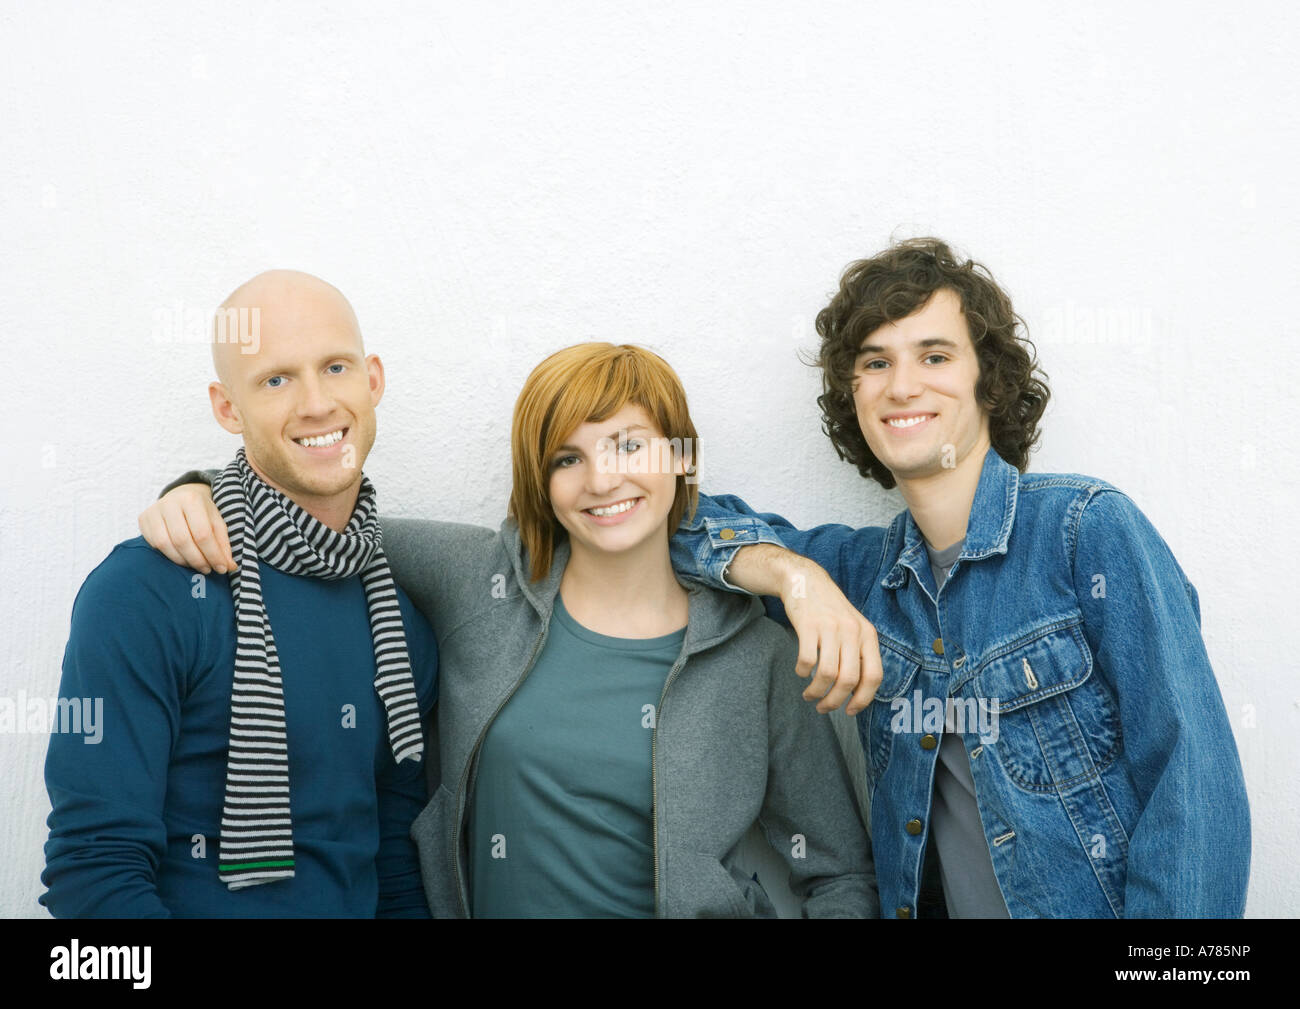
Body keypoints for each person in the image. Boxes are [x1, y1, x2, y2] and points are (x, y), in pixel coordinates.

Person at [137, 342, 877, 918]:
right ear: (539, 478)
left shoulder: (761, 657)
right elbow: (317, 518)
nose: (601, 480)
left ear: (680, 459)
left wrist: (792, 575)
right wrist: (197, 490)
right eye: (568, 458)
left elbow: (841, 872)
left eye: (630, 445)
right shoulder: (478, 580)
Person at [679, 237, 1252, 917]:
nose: (902, 385)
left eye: (935, 355)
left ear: (988, 380)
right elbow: (677, 521)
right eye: (875, 362)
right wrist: (794, 577)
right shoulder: (865, 577)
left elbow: (1195, 791)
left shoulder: (1085, 530)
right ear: (853, 395)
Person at [41, 270, 437, 917]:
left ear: (373, 380)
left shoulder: (402, 625)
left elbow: (391, 860)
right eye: (276, 379)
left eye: (334, 367)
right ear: (228, 407)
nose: (315, 402)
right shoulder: (146, 591)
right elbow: (94, 874)